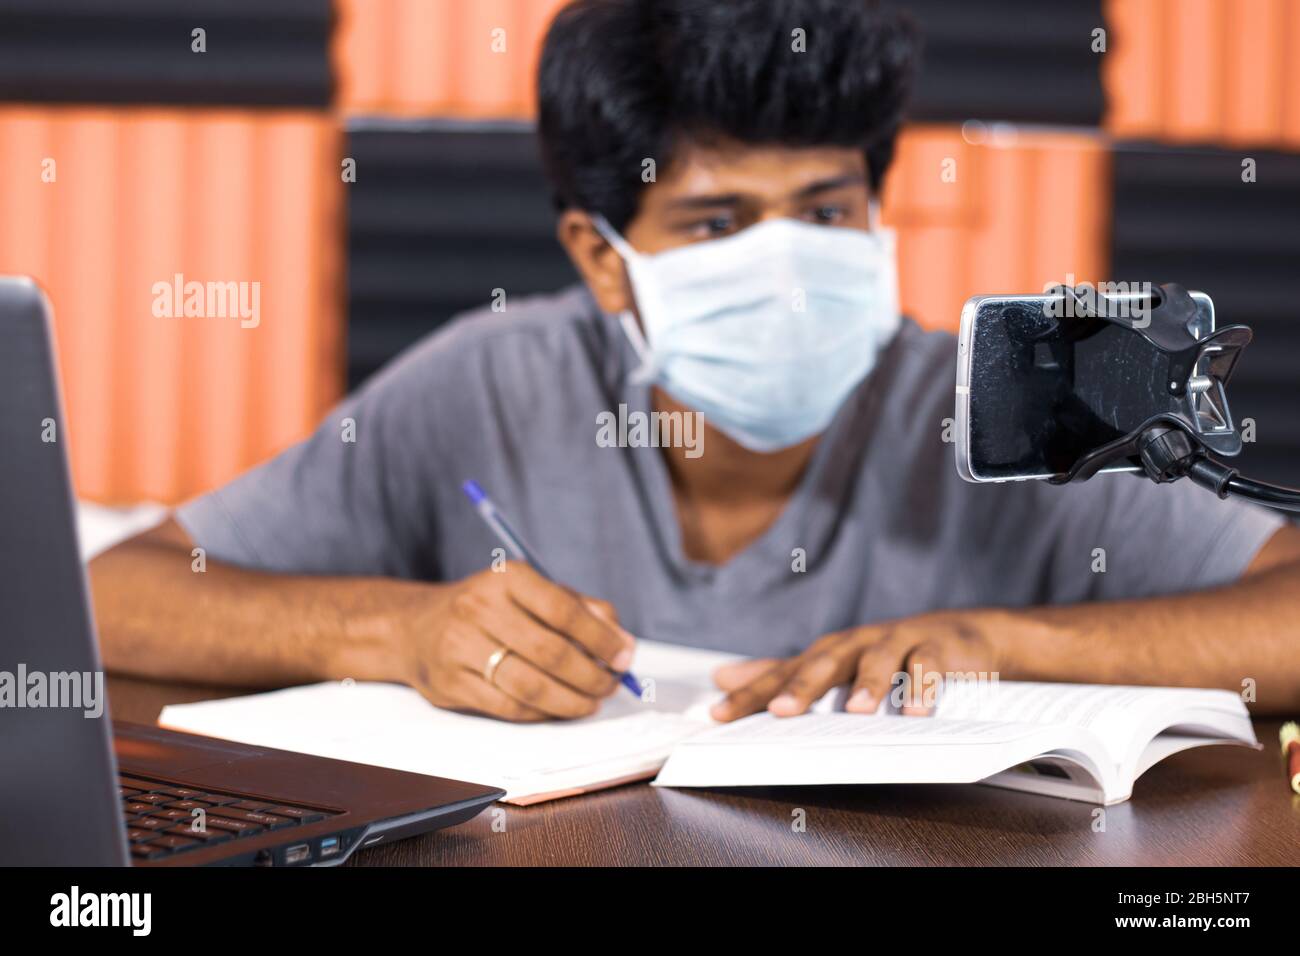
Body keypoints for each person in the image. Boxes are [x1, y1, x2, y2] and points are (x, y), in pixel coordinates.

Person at [91, 0, 1300, 723]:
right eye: (718, 224)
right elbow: (113, 592)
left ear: (878, 215)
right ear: (603, 258)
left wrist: (1008, 641)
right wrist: (388, 631)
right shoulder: (488, 385)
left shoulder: (997, 410)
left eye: (825, 214)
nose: (785, 265)